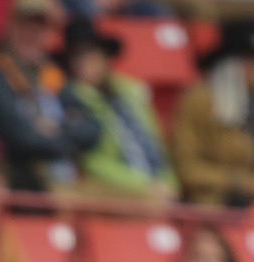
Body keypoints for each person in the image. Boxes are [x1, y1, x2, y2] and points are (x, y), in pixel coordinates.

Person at [0, 0, 102, 192]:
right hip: (18, 178)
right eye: (25, 25)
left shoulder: (50, 71)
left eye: (40, 27)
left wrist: (55, 128)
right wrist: (68, 137)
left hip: (64, 177)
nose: (32, 34)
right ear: (8, 25)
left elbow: (92, 129)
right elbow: (20, 136)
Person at [170, 20, 254, 208]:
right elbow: (188, 168)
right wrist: (244, 183)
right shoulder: (200, 101)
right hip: (219, 199)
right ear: (232, 63)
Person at [63, 18, 178, 200]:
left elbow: (156, 144)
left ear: (104, 57)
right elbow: (90, 161)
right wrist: (144, 186)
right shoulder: (72, 98)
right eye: (77, 56)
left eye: (91, 53)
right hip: (116, 186)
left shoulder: (132, 91)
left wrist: (169, 183)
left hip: (157, 185)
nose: (84, 62)